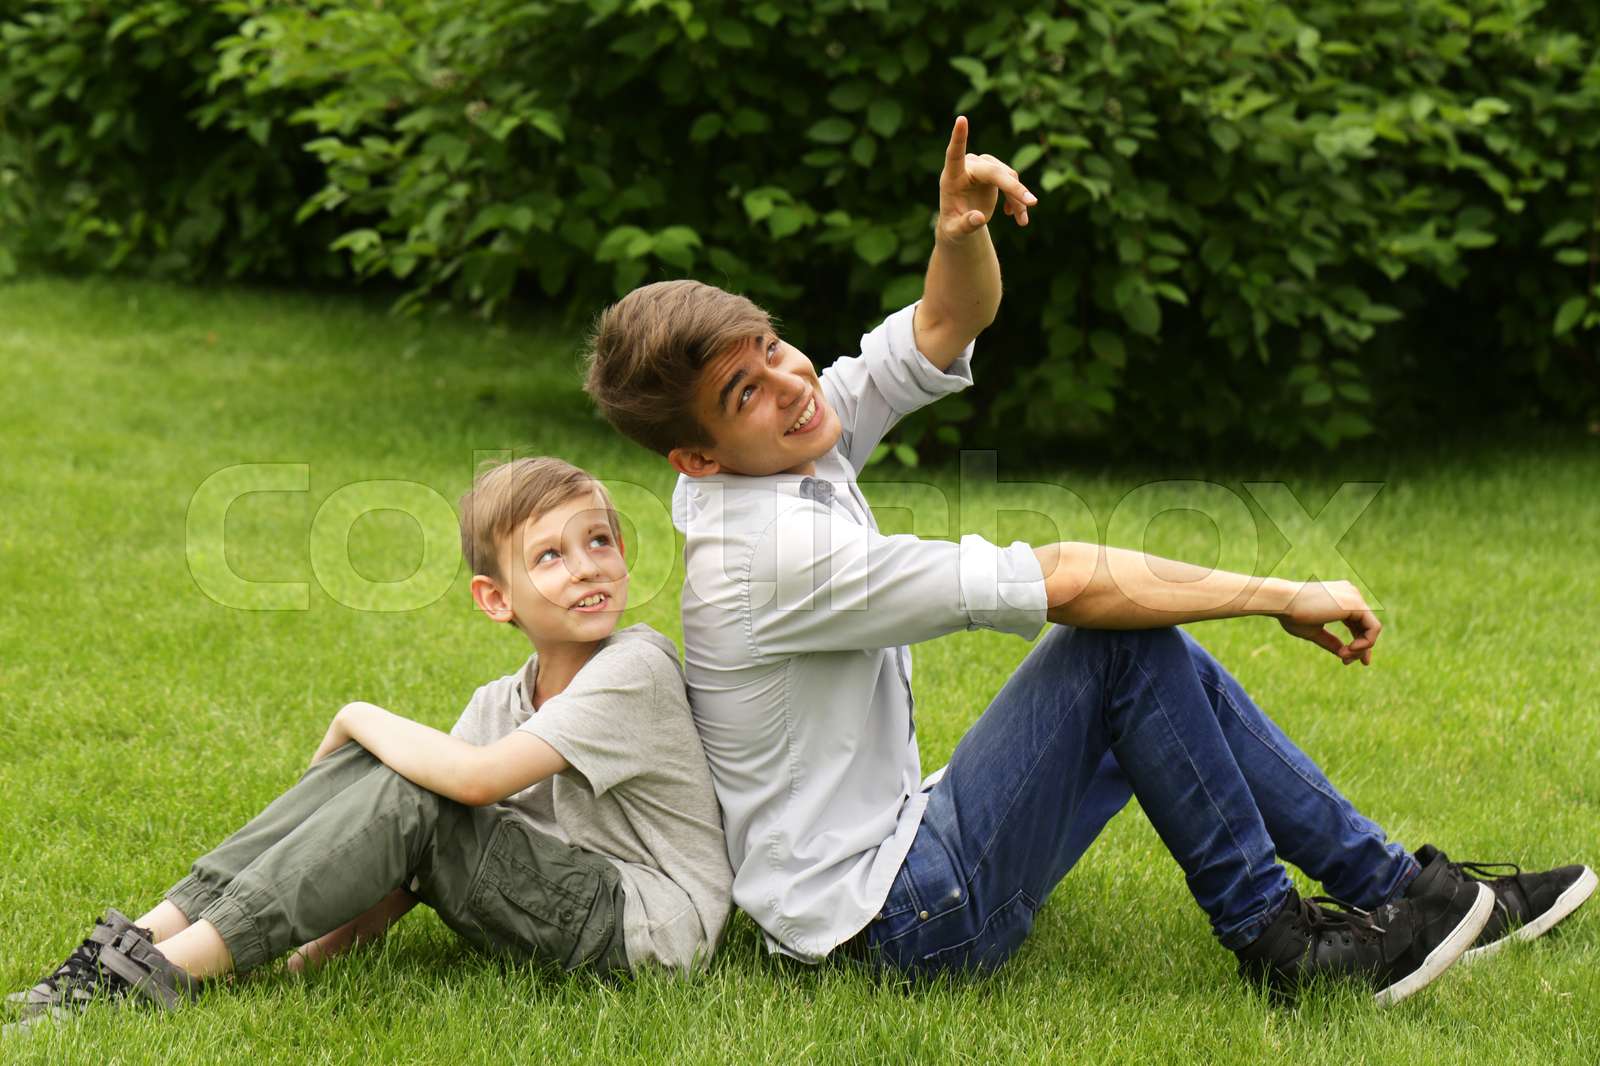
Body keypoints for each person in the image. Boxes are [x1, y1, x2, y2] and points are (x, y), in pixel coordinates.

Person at [580, 115, 1595, 1005]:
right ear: (697, 454)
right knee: (1115, 646)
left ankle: (1407, 894)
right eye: (743, 391)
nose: (789, 381)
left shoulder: (772, 450)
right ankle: (1282, 943)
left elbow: (942, 323)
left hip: (897, 842)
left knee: (1150, 657)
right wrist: (1280, 591)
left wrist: (959, 236)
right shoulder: (768, 554)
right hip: (891, 926)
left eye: (769, 345)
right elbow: (1063, 579)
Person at [7, 457, 731, 1032]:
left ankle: (166, 973)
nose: (585, 567)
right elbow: (404, 855)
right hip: (569, 900)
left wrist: (355, 713)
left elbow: (467, 788)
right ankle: (141, 938)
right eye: (549, 556)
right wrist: (309, 964)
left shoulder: (638, 666)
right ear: (495, 599)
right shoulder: (499, 703)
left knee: (411, 771)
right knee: (396, 769)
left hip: (643, 930)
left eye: (598, 541)